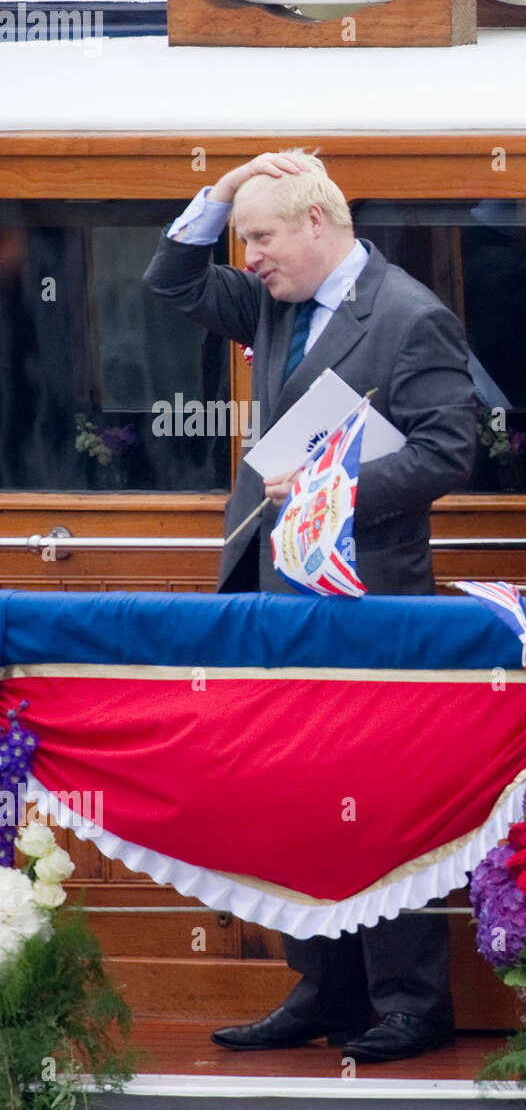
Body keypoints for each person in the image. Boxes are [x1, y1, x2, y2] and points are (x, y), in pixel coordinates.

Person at [145, 150, 477, 1062]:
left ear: (318, 224)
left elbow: (451, 453)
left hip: (367, 599)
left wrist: (334, 486)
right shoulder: (272, 300)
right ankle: (322, 986)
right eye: (243, 237)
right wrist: (225, 185)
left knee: (379, 799)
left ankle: (411, 1002)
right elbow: (170, 280)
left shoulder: (411, 316)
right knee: (295, 795)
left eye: (260, 236)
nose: (247, 255)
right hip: (274, 591)